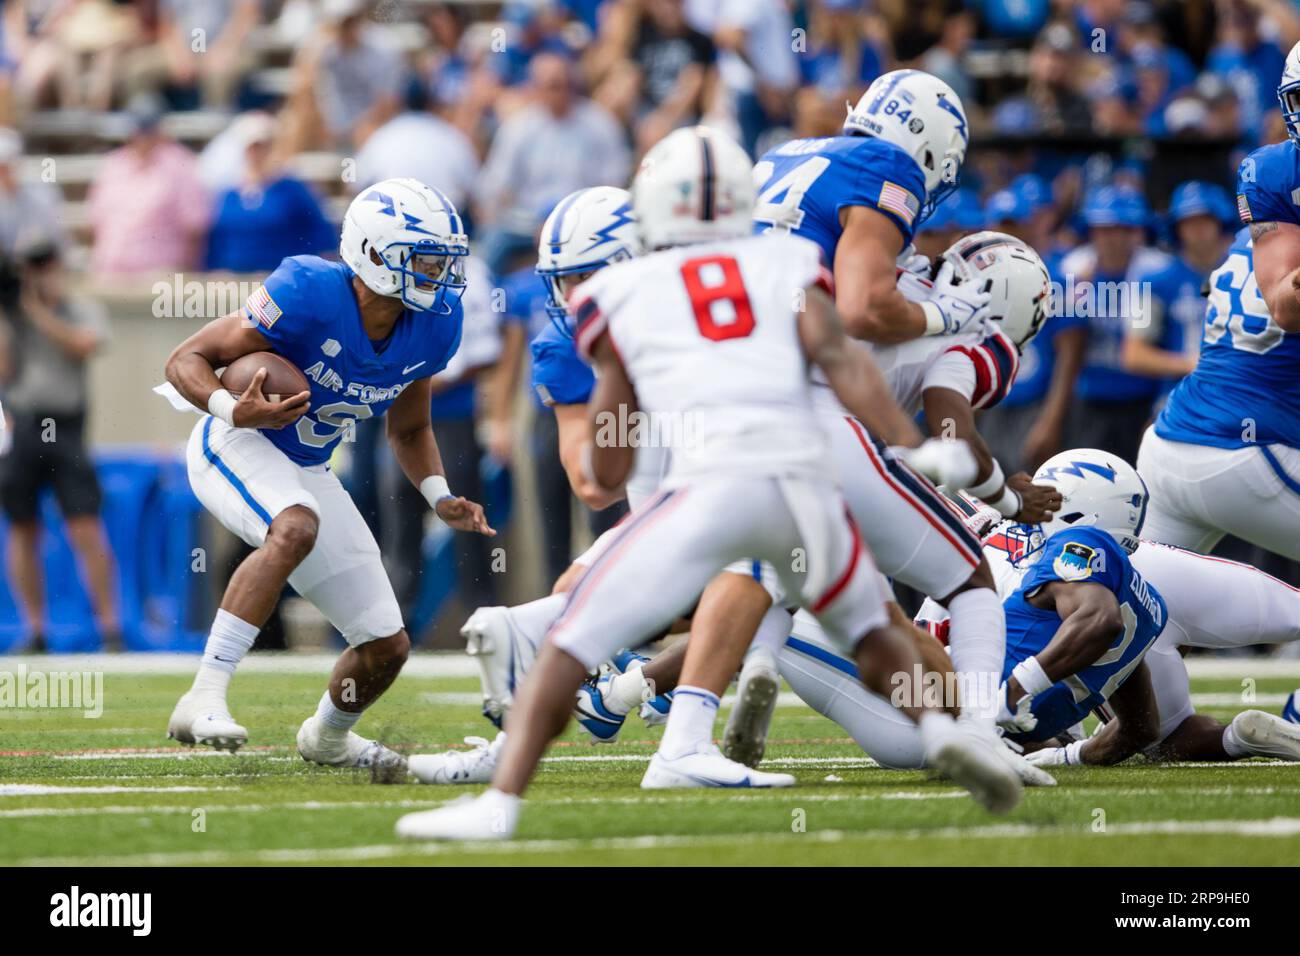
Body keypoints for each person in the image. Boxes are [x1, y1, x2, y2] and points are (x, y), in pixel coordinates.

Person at [394, 127, 1020, 840]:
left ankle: (502, 799)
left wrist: (610, 468)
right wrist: (912, 445)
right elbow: (843, 361)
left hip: (714, 491)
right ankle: (948, 737)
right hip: (804, 477)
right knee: (877, 633)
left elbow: (609, 446)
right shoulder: (785, 259)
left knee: (573, 646)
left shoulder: (625, 291)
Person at [158, 178, 494, 767]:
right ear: (372, 253)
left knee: (386, 645)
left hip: (308, 464)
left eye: (444, 259)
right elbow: (187, 358)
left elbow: (410, 429)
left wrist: (440, 496)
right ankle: (203, 694)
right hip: (236, 438)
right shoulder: (308, 289)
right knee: (295, 526)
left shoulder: (436, 323)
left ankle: (328, 739)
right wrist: (230, 406)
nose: (441, 273)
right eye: (425, 258)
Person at [0, 237, 119, 653]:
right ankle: (35, 629)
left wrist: (37, 311)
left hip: (66, 427)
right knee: (21, 527)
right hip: (24, 427)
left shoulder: (79, 309)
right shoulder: (11, 314)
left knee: (85, 525)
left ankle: (110, 628)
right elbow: (4, 369)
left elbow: (84, 346)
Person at [87, 93, 209, 279]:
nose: (141, 136)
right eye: (138, 129)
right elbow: (96, 223)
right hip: (110, 274)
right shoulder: (113, 165)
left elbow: (194, 229)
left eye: (147, 129)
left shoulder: (180, 165)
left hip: (159, 278)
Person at [204, 112, 335, 273]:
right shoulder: (229, 194)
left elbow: (321, 236)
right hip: (234, 280)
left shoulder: (293, 190)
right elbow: (217, 242)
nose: (256, 153)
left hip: (279, 279)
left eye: (262, 146)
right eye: (252, 147)